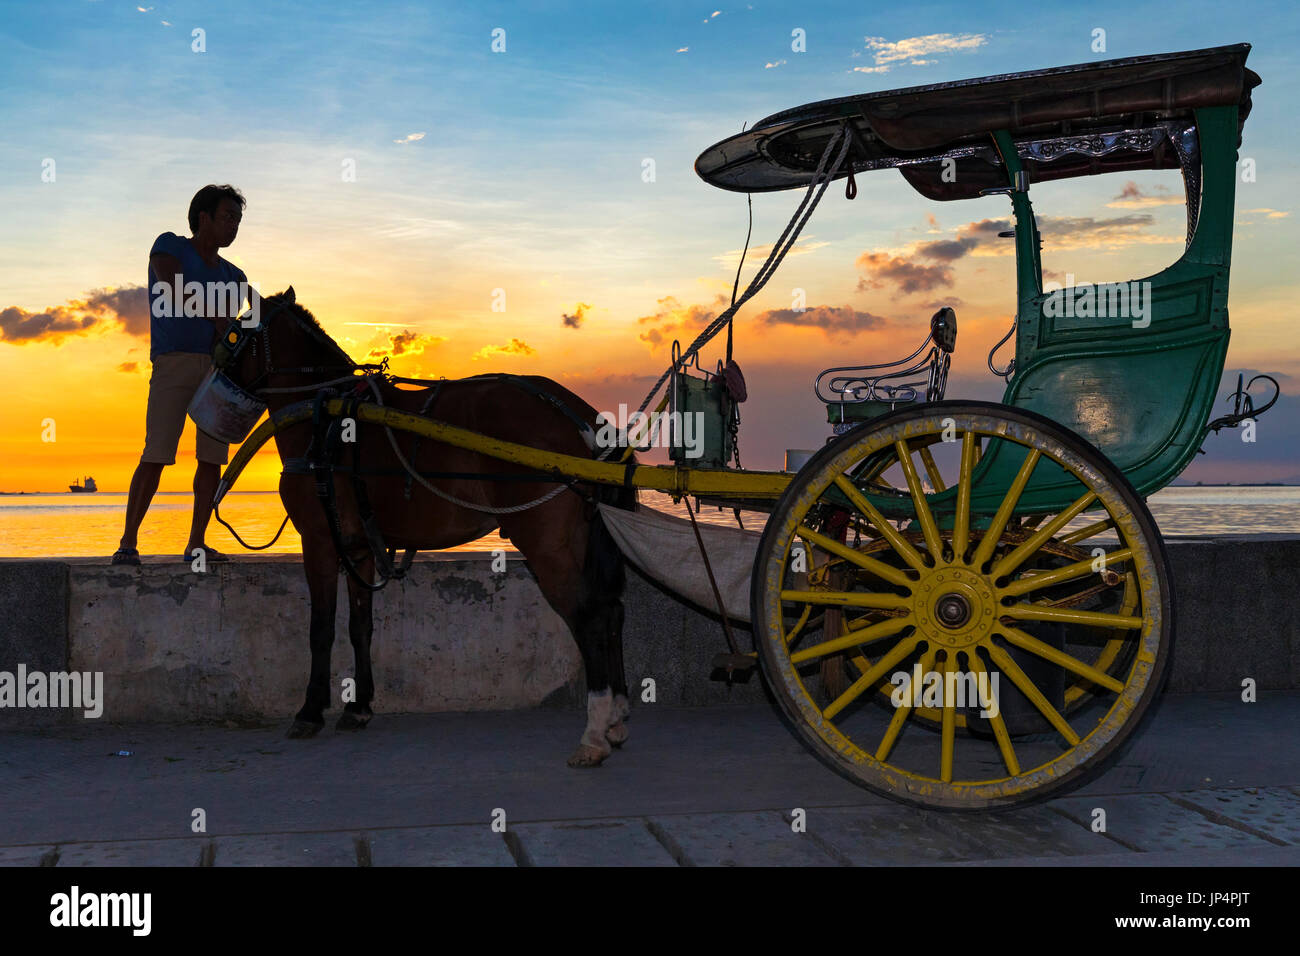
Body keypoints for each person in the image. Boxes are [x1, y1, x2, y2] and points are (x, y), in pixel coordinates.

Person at [113, 185, 251, 565]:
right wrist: (218, 318)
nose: (233, 227)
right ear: (202, 217)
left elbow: (241, 330)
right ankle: (127, 543)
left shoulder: (236, 276)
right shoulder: (169, 246)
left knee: (211, 460)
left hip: (216, 371)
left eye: (238, 221)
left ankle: (197, 544)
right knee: (156, 453)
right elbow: (174, 286)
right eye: (227, 217)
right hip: (173, 363)